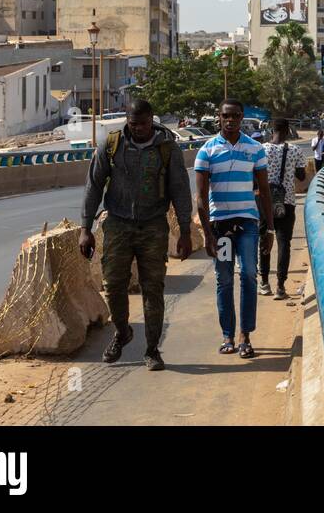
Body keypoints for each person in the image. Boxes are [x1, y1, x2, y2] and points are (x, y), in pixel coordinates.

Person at [79, 99, 192, 371]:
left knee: (153, 288)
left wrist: (185, 231)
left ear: (151, 119)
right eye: (133, 123)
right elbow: (93, 186)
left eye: (143, 123)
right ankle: (122, 332)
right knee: (114, 284)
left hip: (153, 226)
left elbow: (180, 190)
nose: (139, 128)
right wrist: (85, 228)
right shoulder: (111, 145)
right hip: (118, 223)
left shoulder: (167, 149)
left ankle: (152, 349)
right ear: (127, 121)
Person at [194, 99, 274, 359]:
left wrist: (269, 229)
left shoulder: (255, 149)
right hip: (222, 228)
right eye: (226, 116)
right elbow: (201, 197)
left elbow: (263, 191)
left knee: (249, 274)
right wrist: (207, 234)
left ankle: (245, 335)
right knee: (225, 279)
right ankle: (227, 335)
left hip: (247, 223)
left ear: (242, 118)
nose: (230, 120)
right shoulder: (207, 151)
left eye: (235, 116)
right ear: (219, 117)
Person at [259, 119, 306, 300]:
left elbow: (255, 176)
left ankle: (264, 283)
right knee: (284, 244)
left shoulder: (261, 150)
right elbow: (301, 177)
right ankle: (280, 286)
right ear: (287, 131)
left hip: (265, 202)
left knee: (264, 241)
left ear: (272, 130)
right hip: (286, 202)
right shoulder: (295, 151)